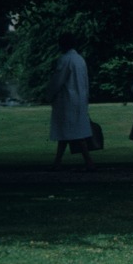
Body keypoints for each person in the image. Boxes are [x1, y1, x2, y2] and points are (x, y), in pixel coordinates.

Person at [48, 32, 94, 170]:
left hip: (67, 101)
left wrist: (50, 95)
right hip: (79, 99)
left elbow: (58, 81)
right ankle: (58, 162)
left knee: (72, 133)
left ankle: (88, 162)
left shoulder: (65, 60)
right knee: (69, 132)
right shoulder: (80, 60)